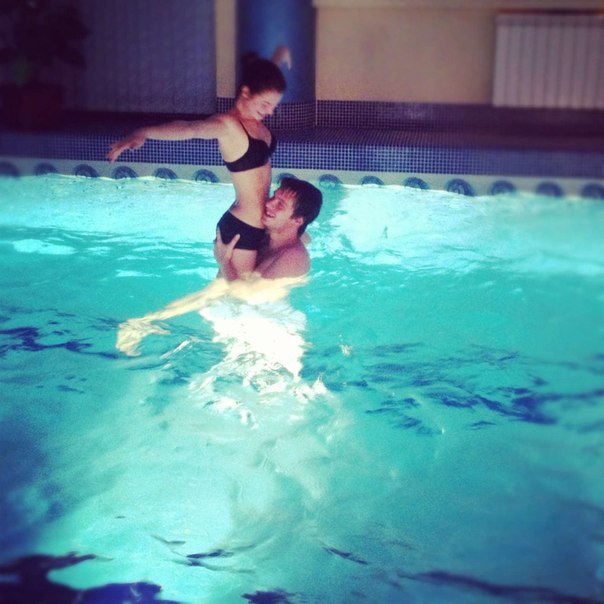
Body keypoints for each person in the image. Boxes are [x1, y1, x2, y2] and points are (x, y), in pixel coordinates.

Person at [107, 47, 291, 279]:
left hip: (258, 224)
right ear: (246, 92)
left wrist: (279, 55)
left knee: (226, 291)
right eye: (265, 104)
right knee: (238, 293)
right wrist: (143, 132)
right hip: (242, 228)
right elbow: (189, 128)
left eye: (273, 105)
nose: (270, 112)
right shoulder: (227, 125)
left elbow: (263, 74)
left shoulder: (255, 108)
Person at [116, 177, 322, 356]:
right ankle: (145, 323)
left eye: (280, 205)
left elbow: (247, 296)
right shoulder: (279, 235)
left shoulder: (292, 257)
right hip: (248, 309)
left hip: (269, 328)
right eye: (273, 196)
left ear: (297, 220)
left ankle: (145, 323)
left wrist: (224, 261)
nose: (269, 204)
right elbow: (304, 235)